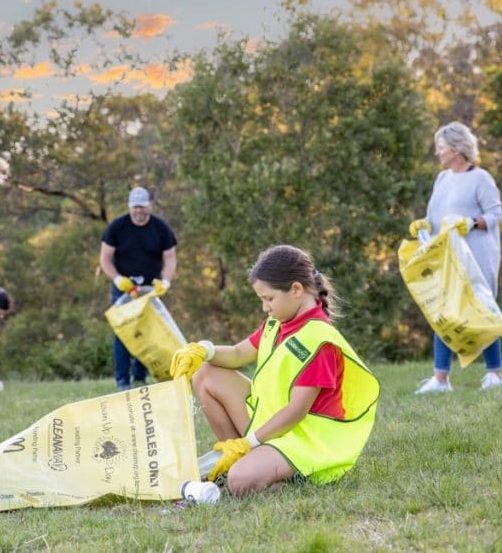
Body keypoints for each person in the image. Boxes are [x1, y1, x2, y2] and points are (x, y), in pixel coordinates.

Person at [170, 244, 380, 496]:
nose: (265, 307)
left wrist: (248, 442)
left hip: (303, 441)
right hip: (272, 425)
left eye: (269, 299)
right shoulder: (277, 323)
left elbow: (296, 411)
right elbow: (238, 353)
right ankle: (234, 458)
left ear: (296, 290)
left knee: (240, 482)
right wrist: (205, 350)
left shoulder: (319, 341)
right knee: (206, 373)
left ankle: (270, 475)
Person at [409, 122, 502, 394]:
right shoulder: (442, 179)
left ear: (455, 148)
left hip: (476, 257)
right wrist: (423, 225)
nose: (437, 153)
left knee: (481, 310)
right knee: (443, 311)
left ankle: (495, 375)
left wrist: (471, 223)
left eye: (440, 147)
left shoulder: (481, 178)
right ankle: (440, 380)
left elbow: (495, 215)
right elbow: (434, 216)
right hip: (446, 259)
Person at [99, 186, 178, 391]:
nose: (139, 211)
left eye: (142, 206)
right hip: (124, 288)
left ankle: (140, 378)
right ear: (129, 206)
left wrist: (166, 282)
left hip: (150, 290)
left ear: (150, 206)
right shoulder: (117, 227)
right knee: (123, 333)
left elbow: (170, 259)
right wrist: (117, 279)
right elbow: (105, 259)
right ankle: (122, 381)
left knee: (148, 331)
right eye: (135, 207)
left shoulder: (161, 228)